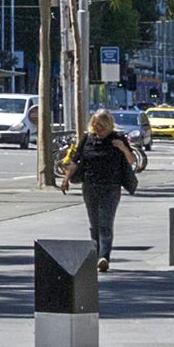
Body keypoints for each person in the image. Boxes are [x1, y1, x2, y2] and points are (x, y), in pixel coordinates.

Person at [68, 106, 143, 263]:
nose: (98, 129)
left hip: (111, 187)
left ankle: (103, 257)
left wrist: (122, 148)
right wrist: (65, 179)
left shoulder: (118, 139)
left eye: (102, 125)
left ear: (109, 125)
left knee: (105, 223)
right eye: (95, 125)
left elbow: (132, 161)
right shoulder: (87, 139)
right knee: (94, 224)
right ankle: (96, 255)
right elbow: (75, 159)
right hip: (90, 186)